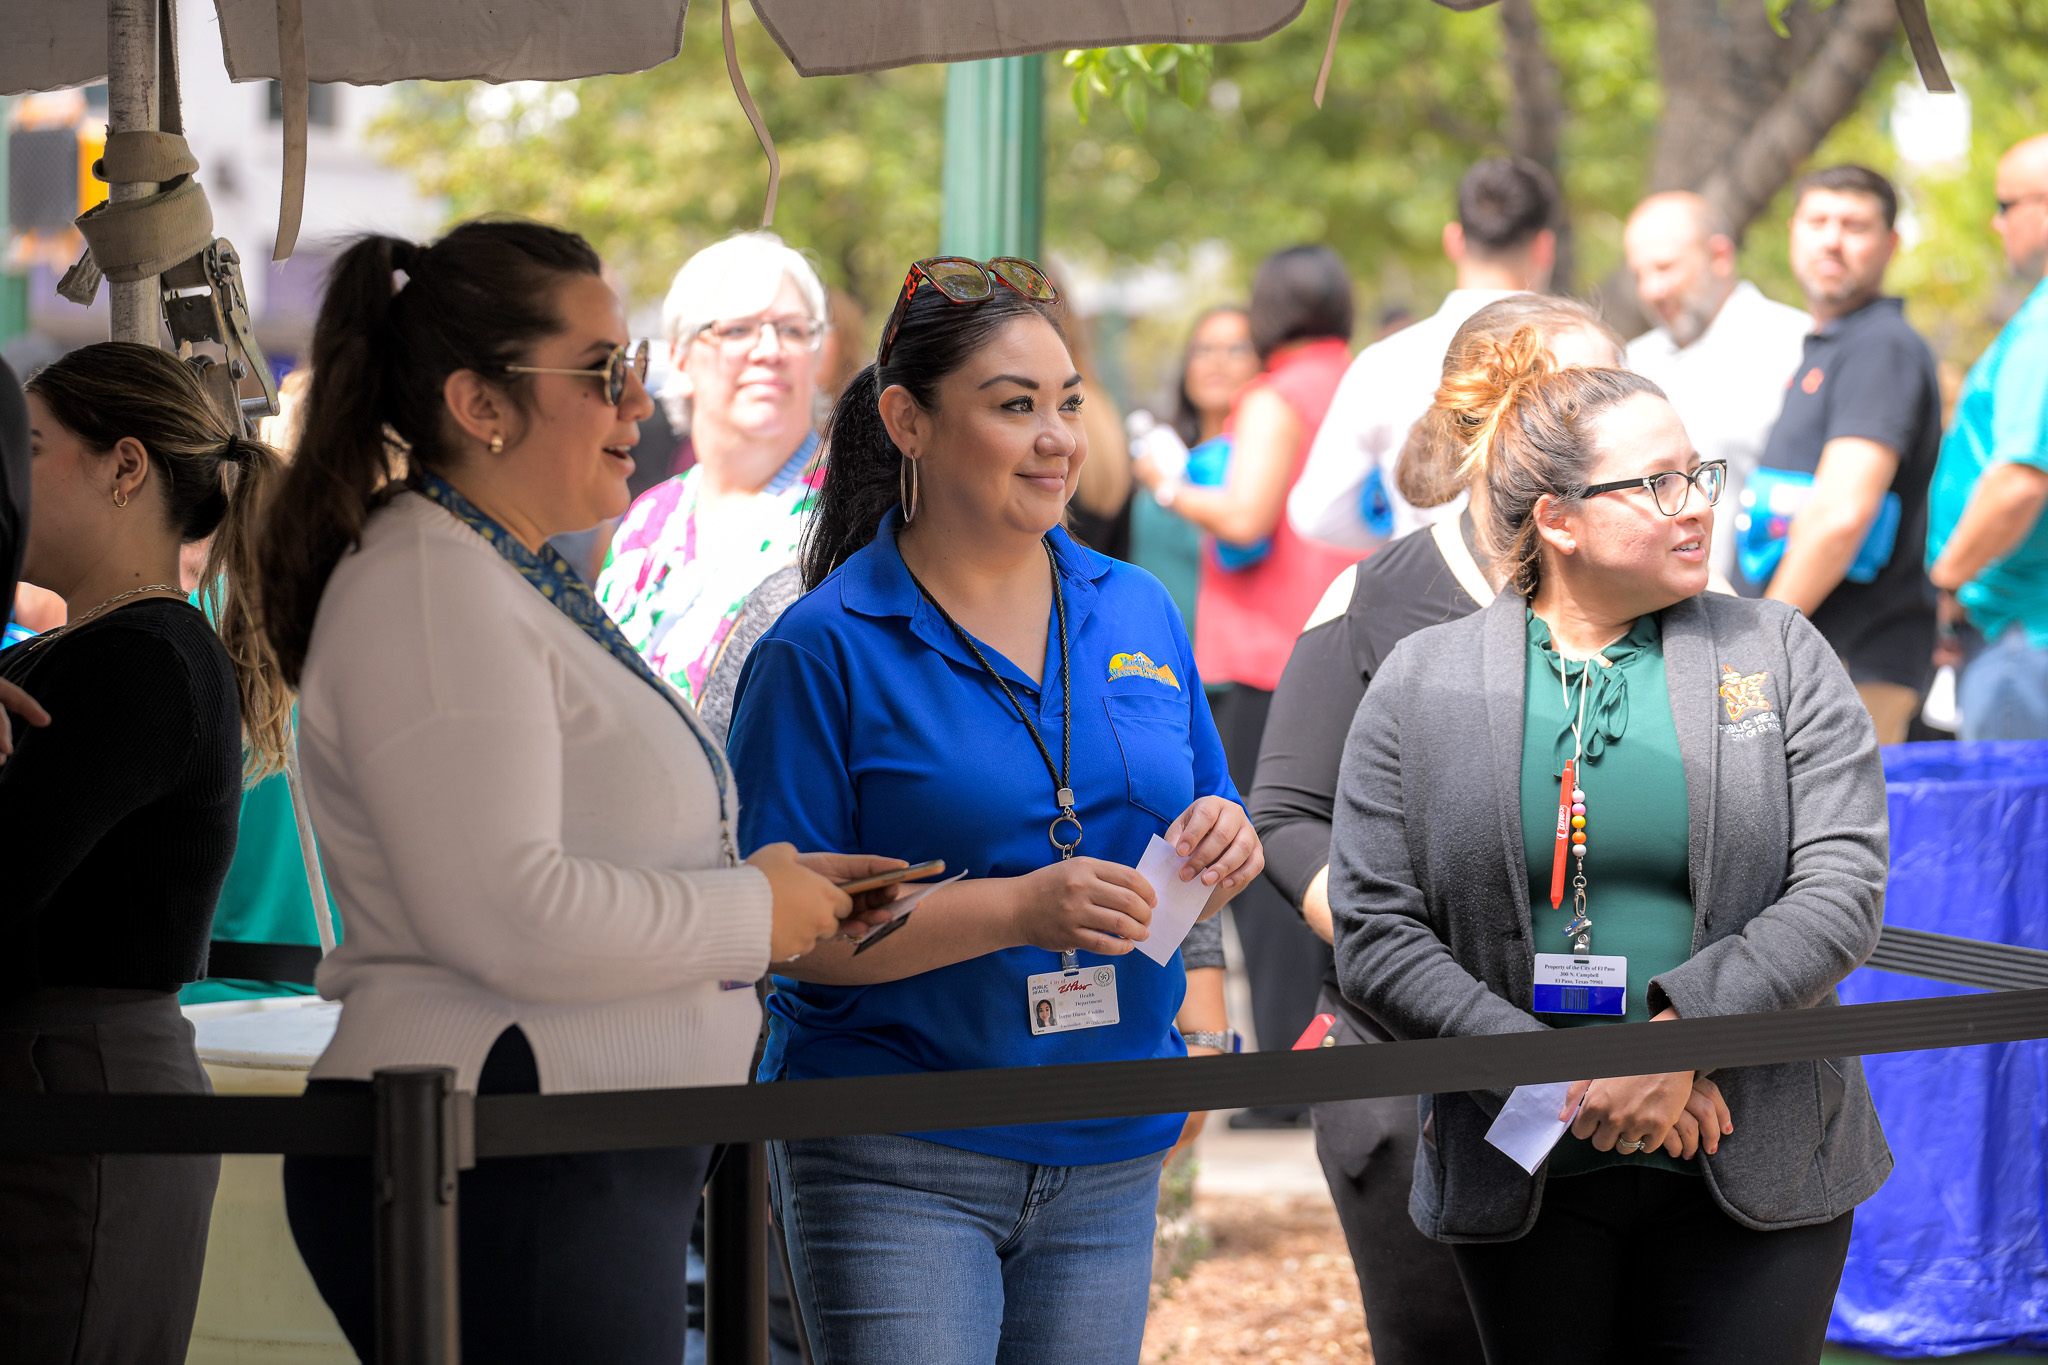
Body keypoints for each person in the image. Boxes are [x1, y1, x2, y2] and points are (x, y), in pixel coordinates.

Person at [261, 220, 890, 1365]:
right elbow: (507, 911)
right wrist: (754, 913)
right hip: (512, 1159)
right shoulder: (428, 581)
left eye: (635, 371)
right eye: (606, 373)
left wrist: (762, 888)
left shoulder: (491, 568)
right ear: (480, 403)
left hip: (553, 1155)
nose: (637, 408)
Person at [726, 254, 1263, 1363]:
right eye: (1014, 406)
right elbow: (788, 939)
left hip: (1111, 1143)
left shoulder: (1138, 605)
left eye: (1066, 401)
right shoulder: (819, 649)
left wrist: (1226, 834)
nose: (1057, 436)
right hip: (893, 1151)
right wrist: (1019, 911)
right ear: (906, 422)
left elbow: (1200, 806)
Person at [1328, 329, 1891, 1364]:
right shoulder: (1422, 681)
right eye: (1656, 484)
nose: (1695, 504)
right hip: (1523, 1171)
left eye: (1698, 474)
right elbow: (1372, 931)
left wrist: (1668, 1046)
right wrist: (1566, 1085)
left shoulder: (1777, 650)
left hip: (1754, 1150)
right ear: (1557, 522)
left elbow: (1840, 888)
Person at [1250, 295, 1623, 1365]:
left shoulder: (1667, 598)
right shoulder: (1371, 600)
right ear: (1483, 417)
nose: (1611, 414)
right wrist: (1403, 952)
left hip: (1616, 1077)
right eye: (1574, 392)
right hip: (1408, 1080)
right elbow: (1284, 815)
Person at [1, 341, 289, 1363]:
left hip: (79, 1077)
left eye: (29, 448)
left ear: (125, 467)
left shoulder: (145, 660)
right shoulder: (77, 652)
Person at [1132, 245, 1360, 1124]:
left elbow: (1247, 514)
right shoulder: (1363, 378)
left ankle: (1281, 1087)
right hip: (1350, 643)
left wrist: (1167, 483)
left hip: (1269, 655)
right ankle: (1335, 1058)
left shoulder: (1277, 396)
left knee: (1269, 866)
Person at [597, 230, 831, 733]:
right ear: (681, 356)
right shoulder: (649, 519)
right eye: (738, 330)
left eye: (793, 330)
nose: (770, 350)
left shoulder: (852, 514)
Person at [1744, 165, 1941, 744]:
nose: (1832, 239)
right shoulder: (1837, 343)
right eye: (1818, 221)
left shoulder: (1881, 347)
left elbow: (1841, 515)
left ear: (1892, 244)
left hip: (1851, 662)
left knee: (1837, 835)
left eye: (1855, 225)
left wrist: (1758, 643)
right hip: (1821, 657)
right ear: (1792, 232)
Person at [1288, 156, 1559, 549]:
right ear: (1544, 247)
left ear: (1453, 239)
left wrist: (1403, 533)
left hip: (1426, 588)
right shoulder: (1586, 353)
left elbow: (1317, 514)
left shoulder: (1385, 362)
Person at [1928, 133, 2048, 739]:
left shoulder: (2042, 328)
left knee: (2021, 831)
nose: (1996, 224)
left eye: (2006, 206)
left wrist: (1947, 584)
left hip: (2021, 633)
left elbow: (2019, 483)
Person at [1623, 191, 1810, 582]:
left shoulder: (1796, 346)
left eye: (1665, 267)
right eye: (1639, 274)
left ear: (1720, 257)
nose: (1651, 290)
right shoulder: (1631, 362)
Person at [1128, 305, 1262, 629]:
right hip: (1150, 653)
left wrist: (1164, 485)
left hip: (1228, 660)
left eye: (1237, 349)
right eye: (1204, 349)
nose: (1217, 361)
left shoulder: (1260, 466)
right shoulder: (1160, 450)